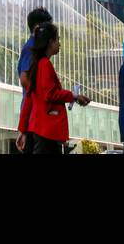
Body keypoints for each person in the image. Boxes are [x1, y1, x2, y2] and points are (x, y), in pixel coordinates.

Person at [15, 22, 90, 155]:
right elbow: (51, 94)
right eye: (58, 39)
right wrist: (73, 95)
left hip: (37, 129)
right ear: (50, 42)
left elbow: (29, 100)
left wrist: (22, 130)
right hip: (46, 131)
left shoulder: (36, 65)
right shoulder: (45, 65)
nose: (59, 43)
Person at [17, 6, 52, 154]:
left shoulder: (36, 49)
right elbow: (24, 79)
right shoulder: (30, 48)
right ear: (38, 28)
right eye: (48, 27)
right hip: (32, 116)